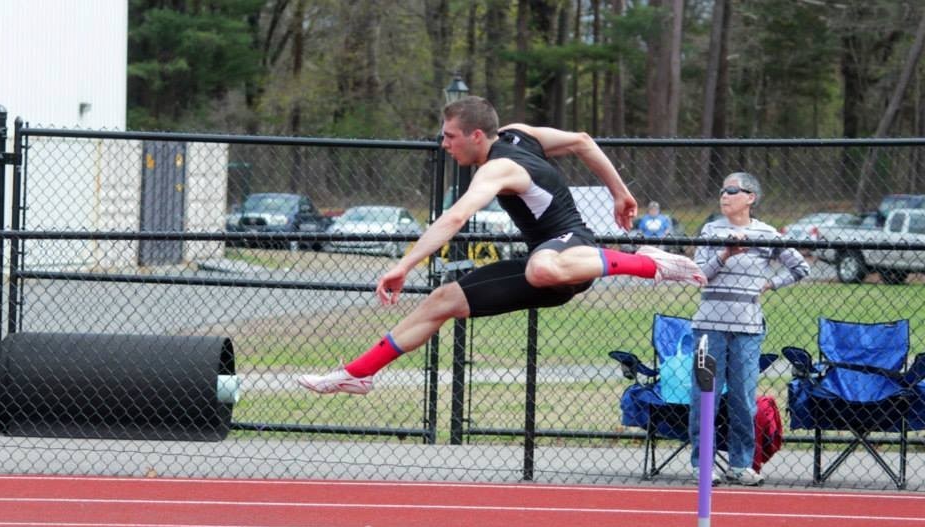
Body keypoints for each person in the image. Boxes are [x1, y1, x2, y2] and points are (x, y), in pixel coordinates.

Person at [297, 96, 706, 395]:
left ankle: (647, 262)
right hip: (545, 260)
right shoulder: (520, 136)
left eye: (450, 137)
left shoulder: (499, 167)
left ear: (476, 135)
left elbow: (455, 218)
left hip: (571, 252)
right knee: (441, 300)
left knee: (541, 266)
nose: (444, 144)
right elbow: (582, 141)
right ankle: (359, 372)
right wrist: (619, 193)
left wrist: (405, 264)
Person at [688, 172, 810, 486]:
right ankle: (702, 464)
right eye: (722, 190)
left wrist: (770, 283)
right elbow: (699, 274)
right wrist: (726, 254)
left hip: (747, 328)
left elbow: (800, 267)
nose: (724, 195)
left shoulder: (767, 234)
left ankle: (741, 465)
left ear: (750, 197)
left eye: (732, 190)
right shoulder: (711, 231)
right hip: (709, 327)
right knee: (706, 397)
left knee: (743, 398)